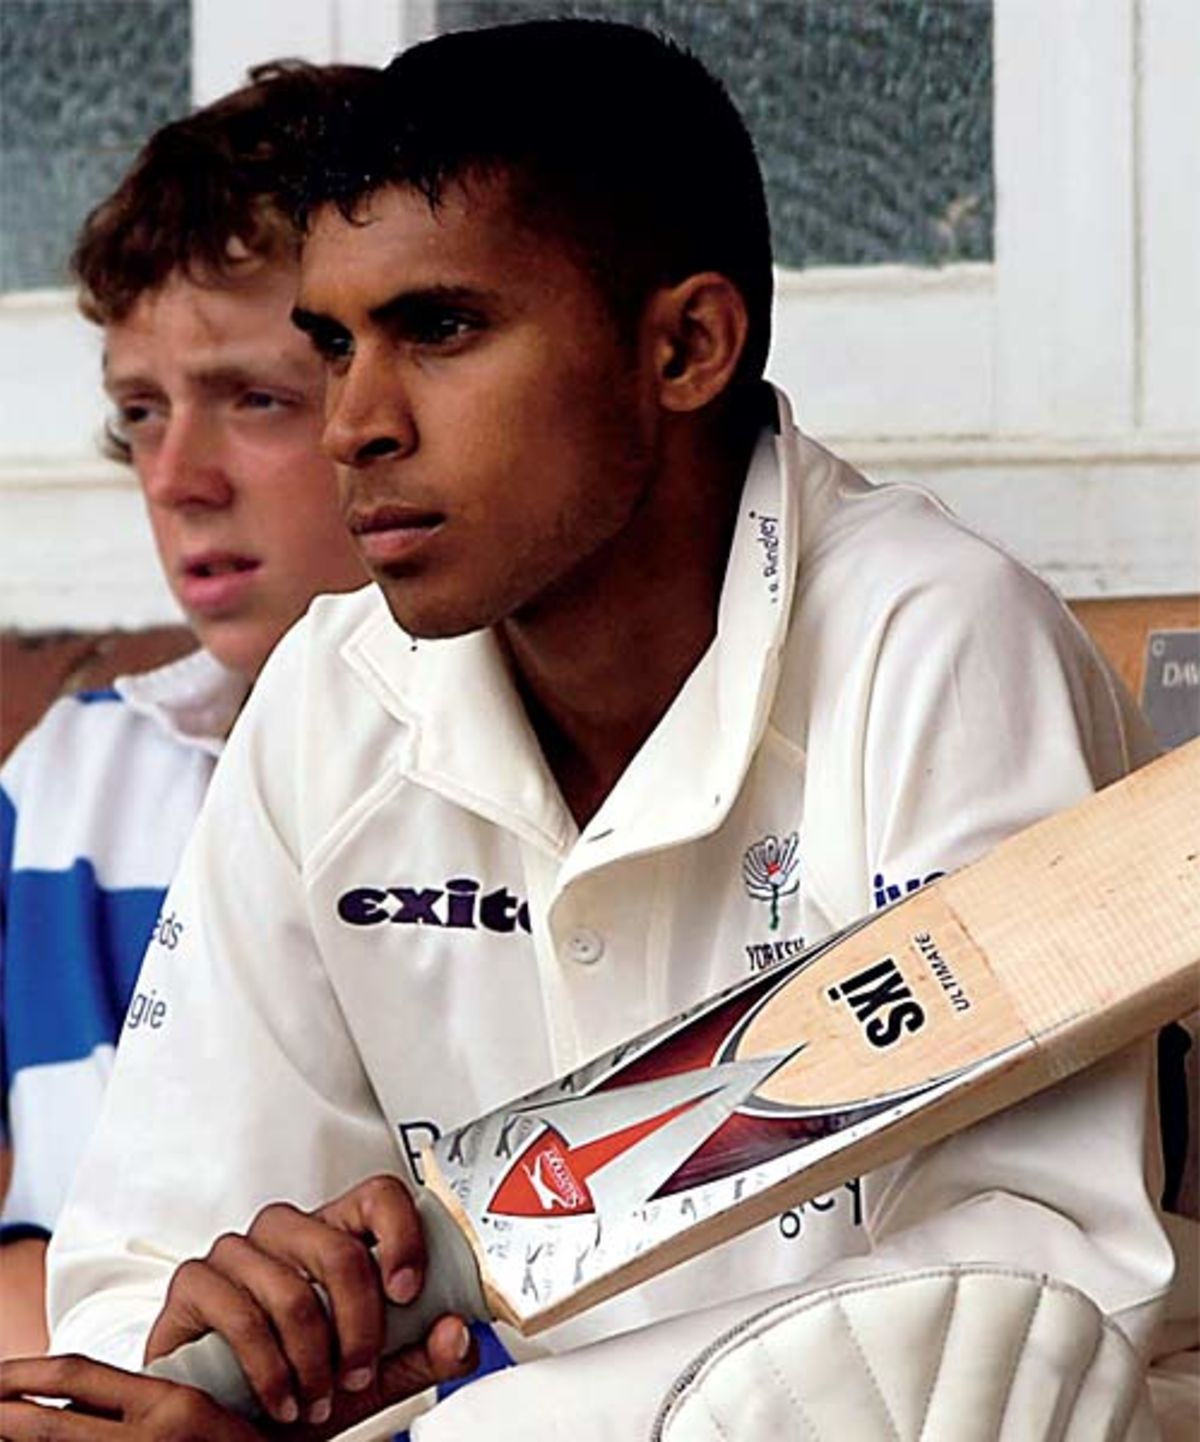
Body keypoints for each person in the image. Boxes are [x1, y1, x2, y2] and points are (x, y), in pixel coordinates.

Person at [4, 18, 1178, 1441]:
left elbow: (1025, 1318)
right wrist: (247, 1339)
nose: (352, 423)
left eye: (438, 328)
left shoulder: (933, 649)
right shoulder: (335, 693)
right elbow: (139, 1294)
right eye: (330, 346)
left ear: (683, 344)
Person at [0, 62, 369, 1360]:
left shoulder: (521, 773)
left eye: (254, 400)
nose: (176, 478)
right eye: (139, 414)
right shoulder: (68, 781)